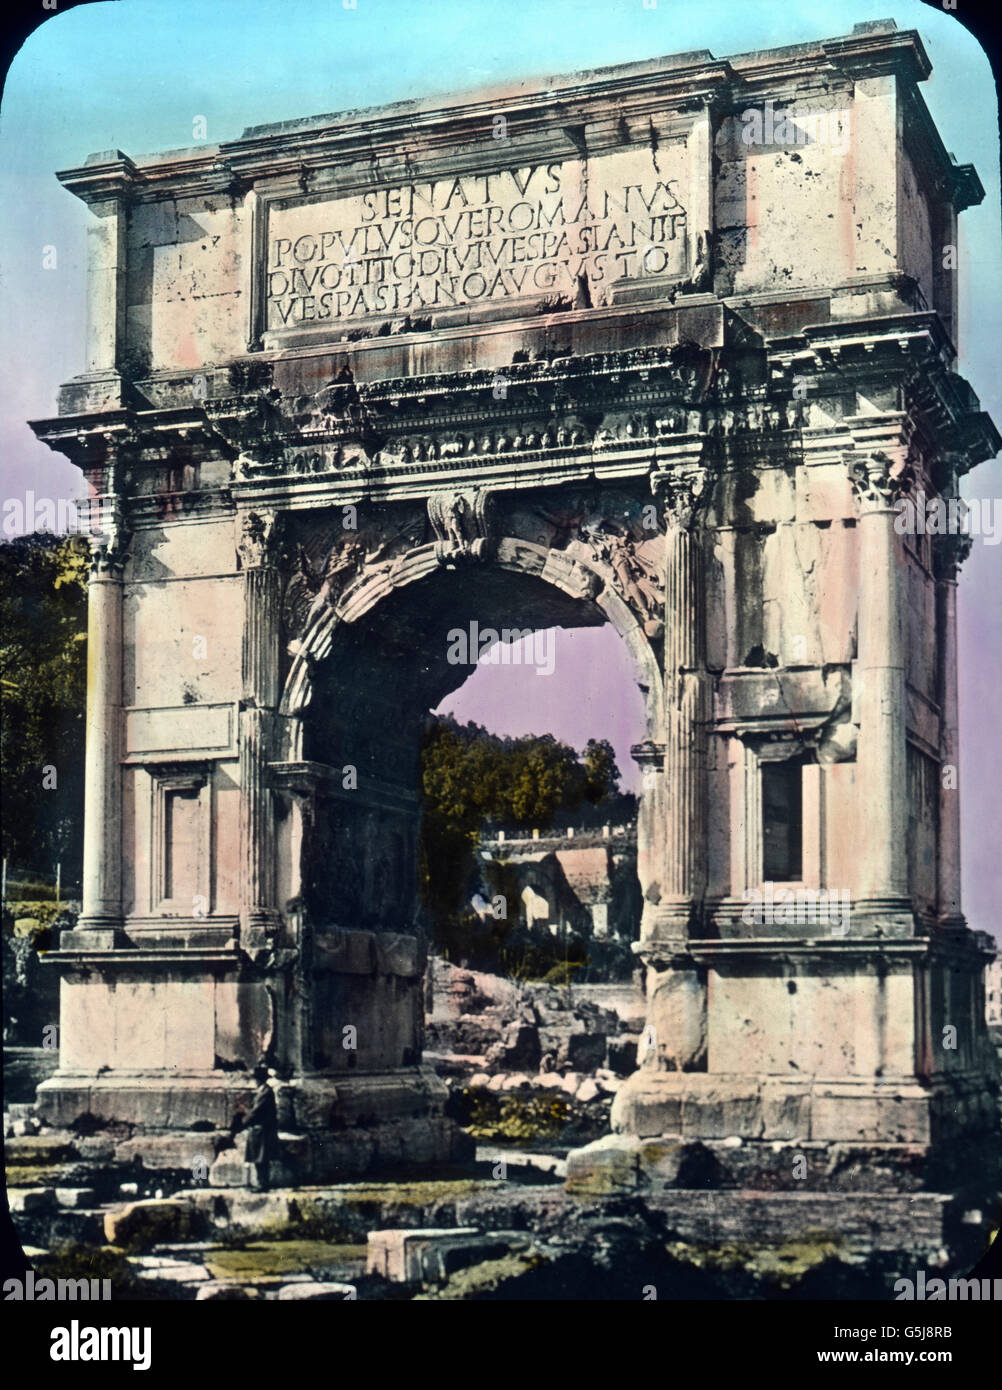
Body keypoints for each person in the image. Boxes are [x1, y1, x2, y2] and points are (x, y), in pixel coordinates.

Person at [242, 1065, 279, 1192]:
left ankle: (263, 1184)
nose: (255, 1081)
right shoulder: (262, 1091)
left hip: (263, 1130)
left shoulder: (265, 1092)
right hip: (258, 1130)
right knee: (258, 1158)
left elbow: (257, 1111)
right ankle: (260, 1182)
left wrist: (244, 1121)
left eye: (257, 1079)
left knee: (261, 1158)